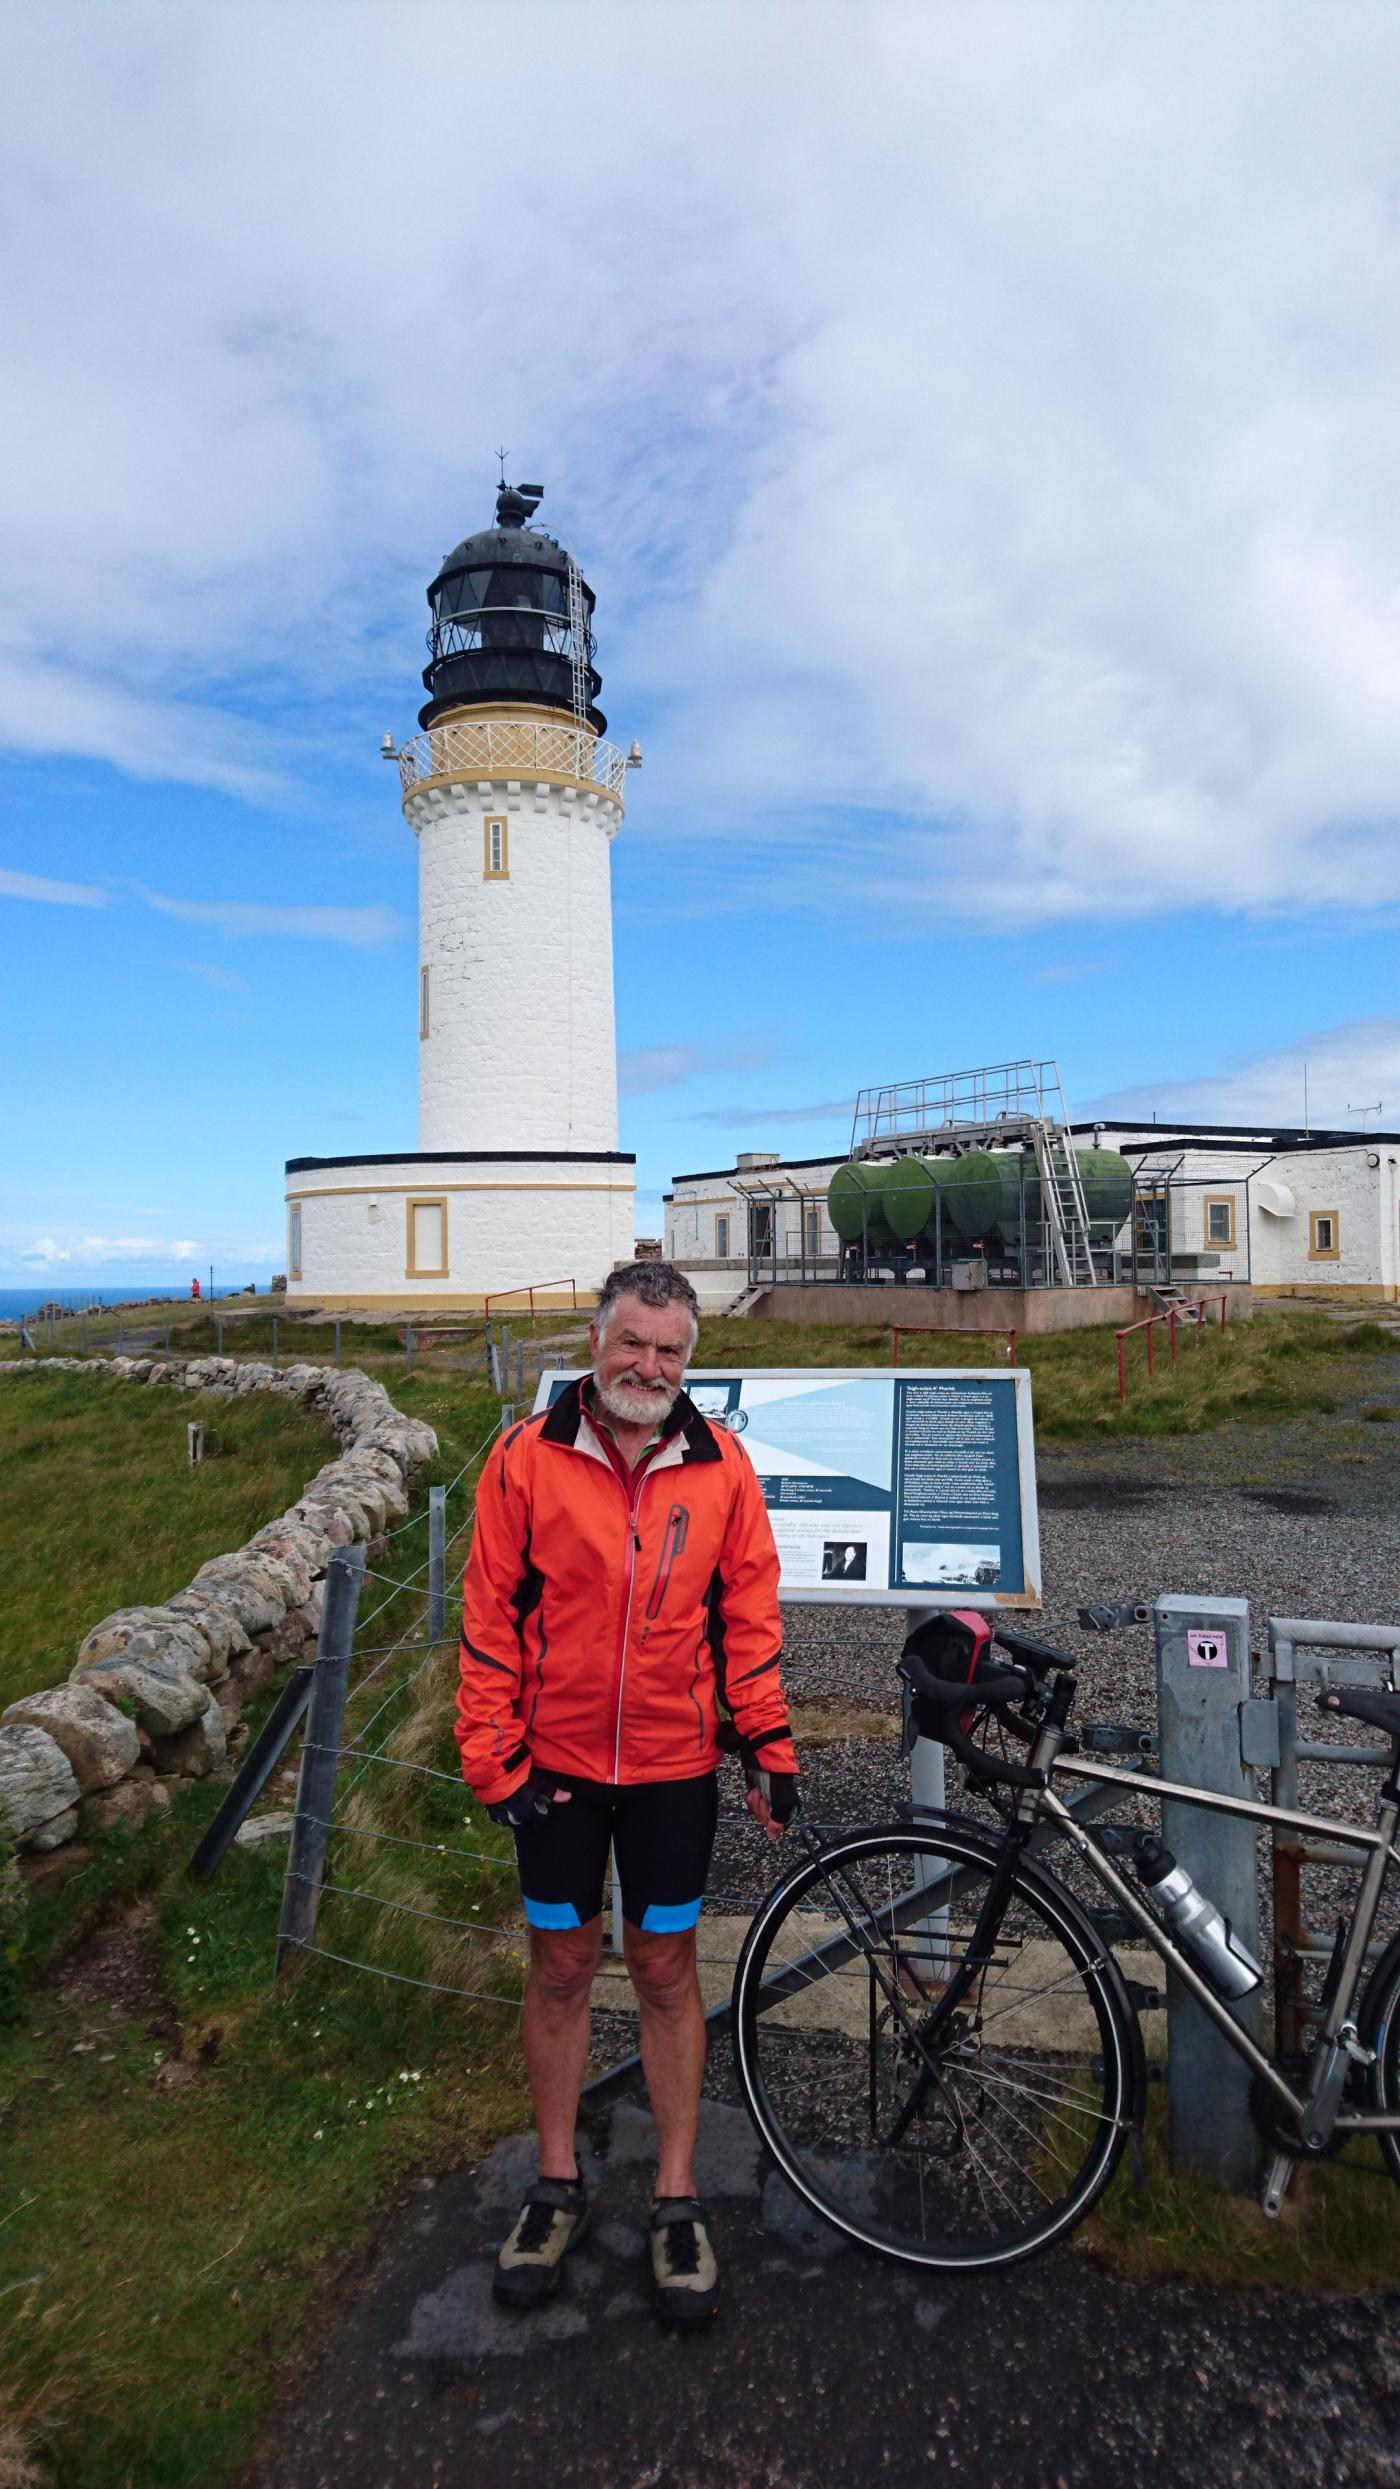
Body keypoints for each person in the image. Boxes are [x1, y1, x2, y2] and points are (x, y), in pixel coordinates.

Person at [456, 1260, 798, 2328]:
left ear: (688, 1358)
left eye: (670, 1349)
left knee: (661, 1967)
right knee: (560, 1963)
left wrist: (769, 1739)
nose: (648, 1365)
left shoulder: (720, 1465)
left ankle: (676, 2193)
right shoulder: (522, 1459)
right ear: (593, 1340)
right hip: (551, 1769)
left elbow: (748, 1615)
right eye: (631, 1342)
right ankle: (554, 2180)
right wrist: (491, 1756)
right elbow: (486, 1619)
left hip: (670, 1770)